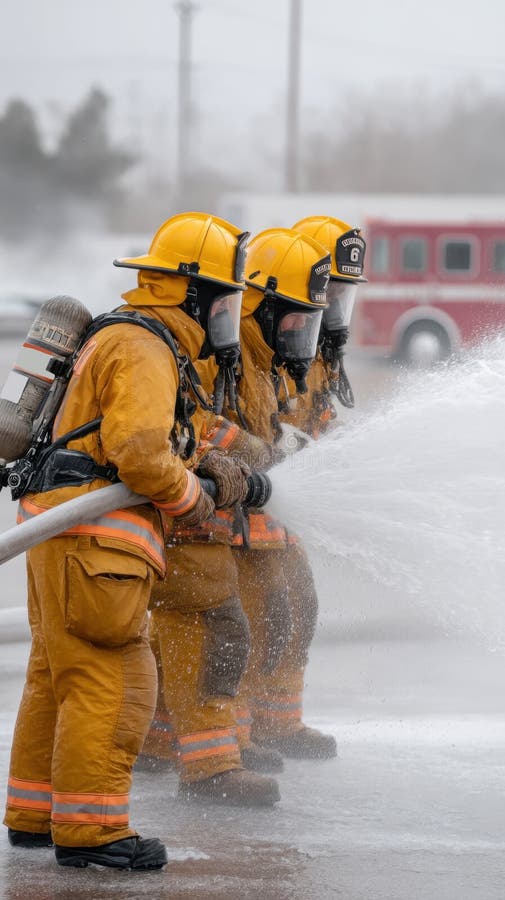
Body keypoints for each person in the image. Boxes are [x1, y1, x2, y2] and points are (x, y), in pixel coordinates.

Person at [3, 211, 251, 869]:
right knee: (112, 676)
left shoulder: (124, 337)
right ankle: (91, 831)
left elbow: (138, 438)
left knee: (56, 676)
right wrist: (191, 496)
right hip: (95, 539)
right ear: (191, 291)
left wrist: (201, 460)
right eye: (225, 299)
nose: (229, 314)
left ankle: (35, 813)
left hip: (62, 529)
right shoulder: (145, 347)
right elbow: (139, 453)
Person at [140, 227, 333, 802]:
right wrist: (248, 452)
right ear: (259, 303)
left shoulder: (252, 352)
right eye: (295, 319)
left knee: (248, 622)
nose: (305, 333)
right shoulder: (202, 347)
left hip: (227, 512)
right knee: (213, 626)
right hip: (195, 514)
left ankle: (205, 740)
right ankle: (205, 757)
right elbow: (189, 425)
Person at [236, 218, 367, 760]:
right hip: (249, 506)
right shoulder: (263, 347)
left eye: (341, 297)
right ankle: (209, 735)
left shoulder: (312, 352)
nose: (333, 310)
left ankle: (277, 721)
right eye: (326, 295)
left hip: (286, 508)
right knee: (245, 620)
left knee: (297, 608)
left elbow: (313, 422)